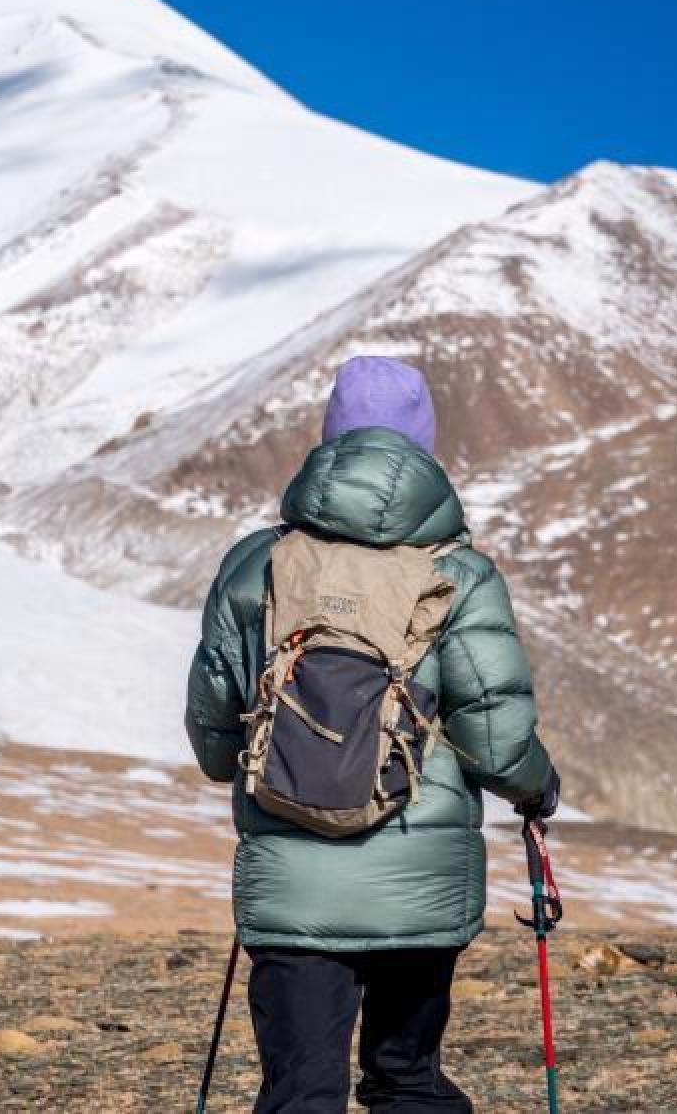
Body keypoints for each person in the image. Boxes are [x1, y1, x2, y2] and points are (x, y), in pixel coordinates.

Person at [185, 354, 560, 1113]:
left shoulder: (259, 563)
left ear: (329, 441)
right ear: (423, 449)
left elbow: (215, 731)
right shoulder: (459, 573)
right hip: (417, 883)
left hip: (290, 883)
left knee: (301, 1091)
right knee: (406, 1081)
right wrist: (537, 786)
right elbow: (495, 735)